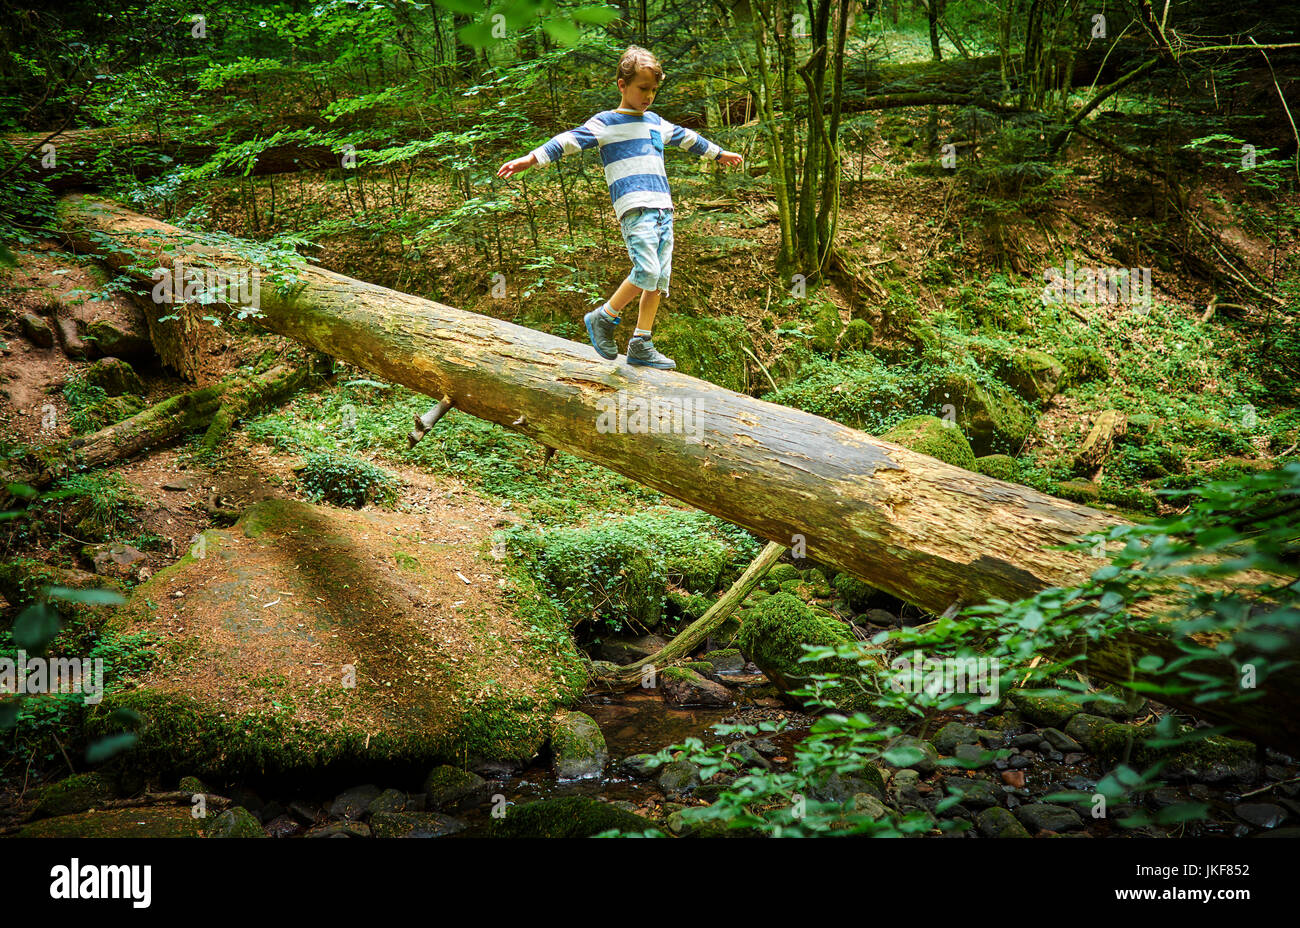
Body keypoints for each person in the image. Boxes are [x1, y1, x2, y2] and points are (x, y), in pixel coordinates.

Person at [496, 45, 743, 369]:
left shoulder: (655, 122)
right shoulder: (606, 123)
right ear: (622, 85)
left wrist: (718, 153)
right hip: (634, 207)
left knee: (658, 280)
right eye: (643, 88)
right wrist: (531, 158)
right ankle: (603, 317)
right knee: (647, 271)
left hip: (663, 210)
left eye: (654, 90)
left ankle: (641, 342)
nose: (649, 96)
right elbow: (568, 140)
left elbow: (687, 138)